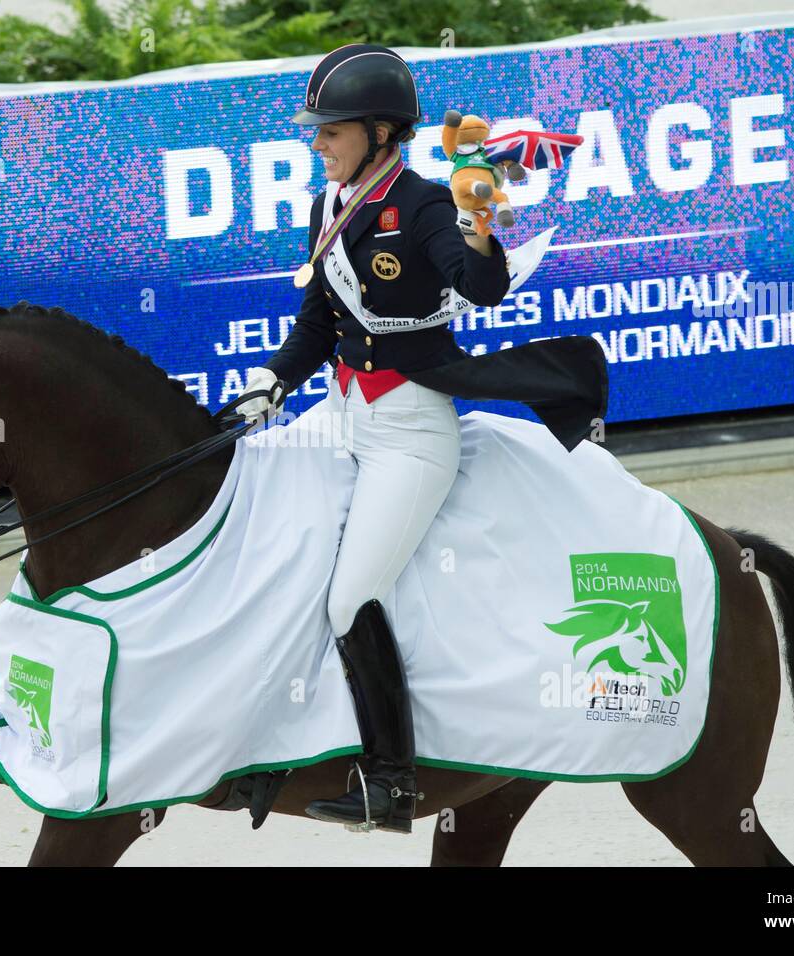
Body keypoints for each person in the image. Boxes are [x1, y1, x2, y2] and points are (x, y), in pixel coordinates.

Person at [236, 43, 516, 834]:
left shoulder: (425, 204)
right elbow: (321, 320)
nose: (316, 143)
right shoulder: (334, 206)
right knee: (267, 545)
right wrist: (272, 382)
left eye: (330, 131)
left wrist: (479, 216)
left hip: (410, 432)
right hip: (342, 413)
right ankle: (272, 738)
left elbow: (483, 289)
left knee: (351, 595)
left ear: (382, 131)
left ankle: (392, 782)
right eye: (316, 131)